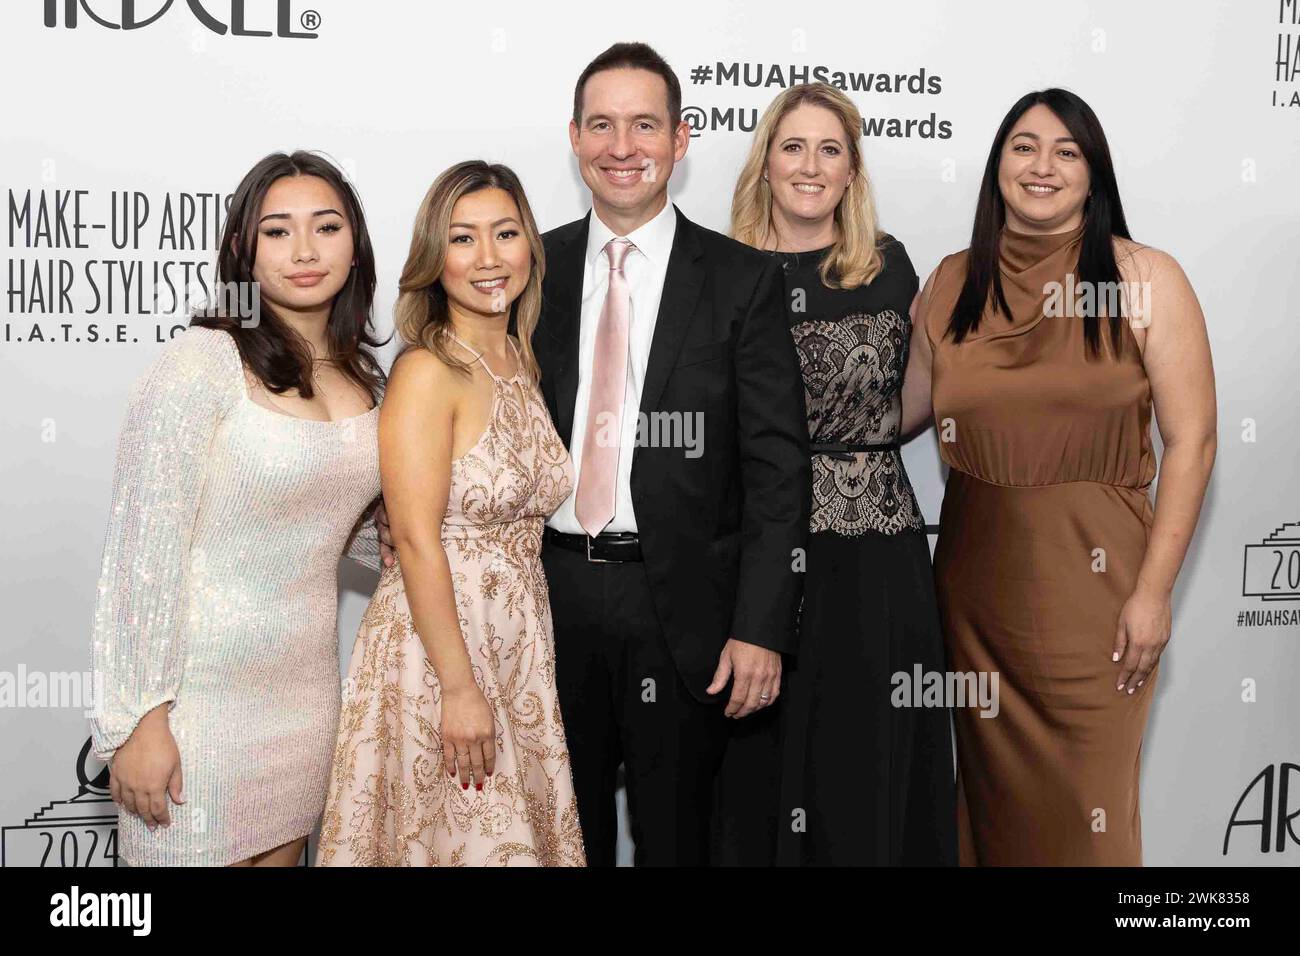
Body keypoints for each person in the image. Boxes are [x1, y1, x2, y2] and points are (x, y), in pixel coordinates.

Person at [903, 89, 1217, 865]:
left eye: (1066, 152)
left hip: (1100, 606)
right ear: (997, 165)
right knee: (989, 813)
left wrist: (1152, 594)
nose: (1042, 166)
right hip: (976, 600)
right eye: (1024, 147)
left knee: (1088, 818)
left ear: (1092, 174)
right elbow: (889, 419)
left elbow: (1194, 441)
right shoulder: (949, 283)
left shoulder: (1146, 278)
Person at [531, 42, 810, 867]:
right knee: (555, 838)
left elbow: (777, 472)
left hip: (684, 612)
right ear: (575, 138)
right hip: (548, 597)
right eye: (604, 126)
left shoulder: (742, 281)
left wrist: (763, 627)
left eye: (645, 125)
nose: (624, 147)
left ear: (681, 139)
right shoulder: (526, 269)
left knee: (679, 842)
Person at [88, 150, 386, 866]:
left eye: (327, 226)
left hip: (304, 701)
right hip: (194, 706)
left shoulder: (365, 379)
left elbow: (346, 530)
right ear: (243, 251)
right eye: (278, 231)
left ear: (356, 244)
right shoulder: (202, 362)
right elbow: (141, 548)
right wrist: (138, 719)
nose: (306, 250)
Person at [316, 161, 585, 867]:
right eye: (463, 240)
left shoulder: (519, 358)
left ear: (532, 243)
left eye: (506, 233)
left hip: (514, 640)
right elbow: (412, 535)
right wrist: (460, 689)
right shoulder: (427, 370)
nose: (489, 259)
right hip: (440, 651)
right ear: (436, 260)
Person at [730, 82, 956, 865]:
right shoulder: (722, 273)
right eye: (793, 146)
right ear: (765, 163)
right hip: (764, 557)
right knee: (769, 765)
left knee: (869, 761)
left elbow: (910, 402)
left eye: (831, 149)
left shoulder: (890, 266)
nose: (810, 165)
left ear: (853, 172)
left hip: (878, 555)